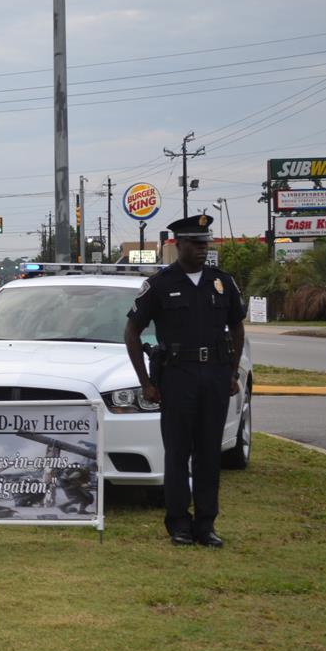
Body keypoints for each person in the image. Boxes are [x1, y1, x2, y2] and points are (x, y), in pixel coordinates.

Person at [123, 214, 244, 548]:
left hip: (215, 376)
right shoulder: (161, 284)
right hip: (177, 377)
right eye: (195, 243)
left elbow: (237, 326)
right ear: (178, 244)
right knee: (177, 452)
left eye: (206, 243)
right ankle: (178, 523)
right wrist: (146, 382)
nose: (203, 249)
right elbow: (132, 331)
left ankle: (206, 525)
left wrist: (232, 372)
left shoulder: (222, 282)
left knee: (209, 452)